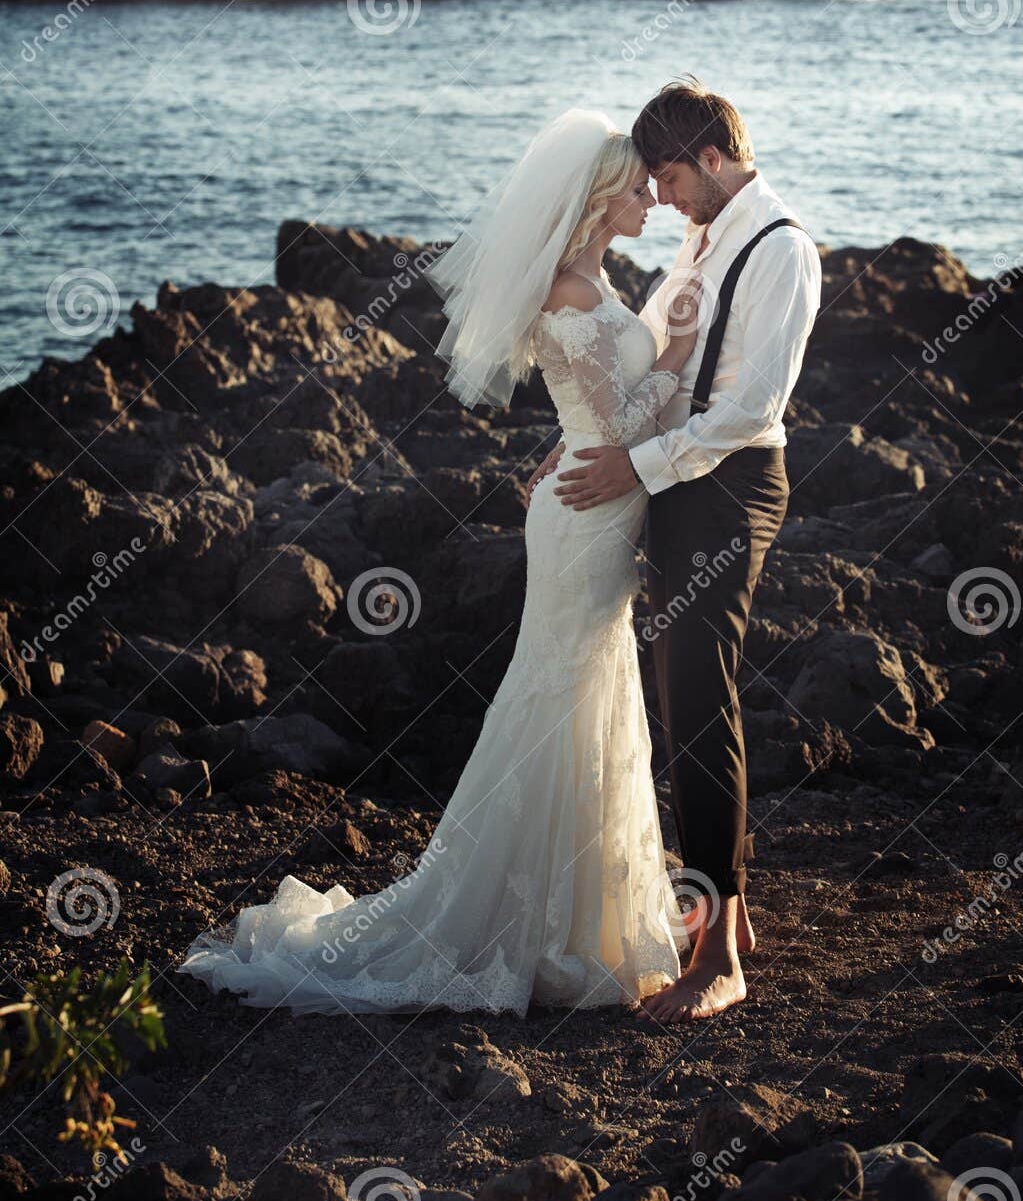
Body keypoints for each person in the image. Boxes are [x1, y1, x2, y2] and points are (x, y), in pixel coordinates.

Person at [179, 109, 702, 1017]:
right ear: (598, 197)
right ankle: (547, 924)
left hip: (587, 499)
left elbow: (590, 409)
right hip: (586, 515)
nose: (651, 198)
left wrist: (564, 439)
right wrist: (688, 348)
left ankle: (594, 915)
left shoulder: (587, 282)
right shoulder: (573, 296)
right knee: (564, 696)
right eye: (636, 187)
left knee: (586, 690)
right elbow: (626, 422)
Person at [532, 80, 821, 1022]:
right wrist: (585, 439)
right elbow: (656, 346)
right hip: (672, 474)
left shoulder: (780, 247)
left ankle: (716, 964)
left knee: (698, 697)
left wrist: (635, 466)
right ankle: (726, 922)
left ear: (705, 155)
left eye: (664, 175)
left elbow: (748, 410)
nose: (657, 197)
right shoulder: (705, 235)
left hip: (730, 483)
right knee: (679, 692)